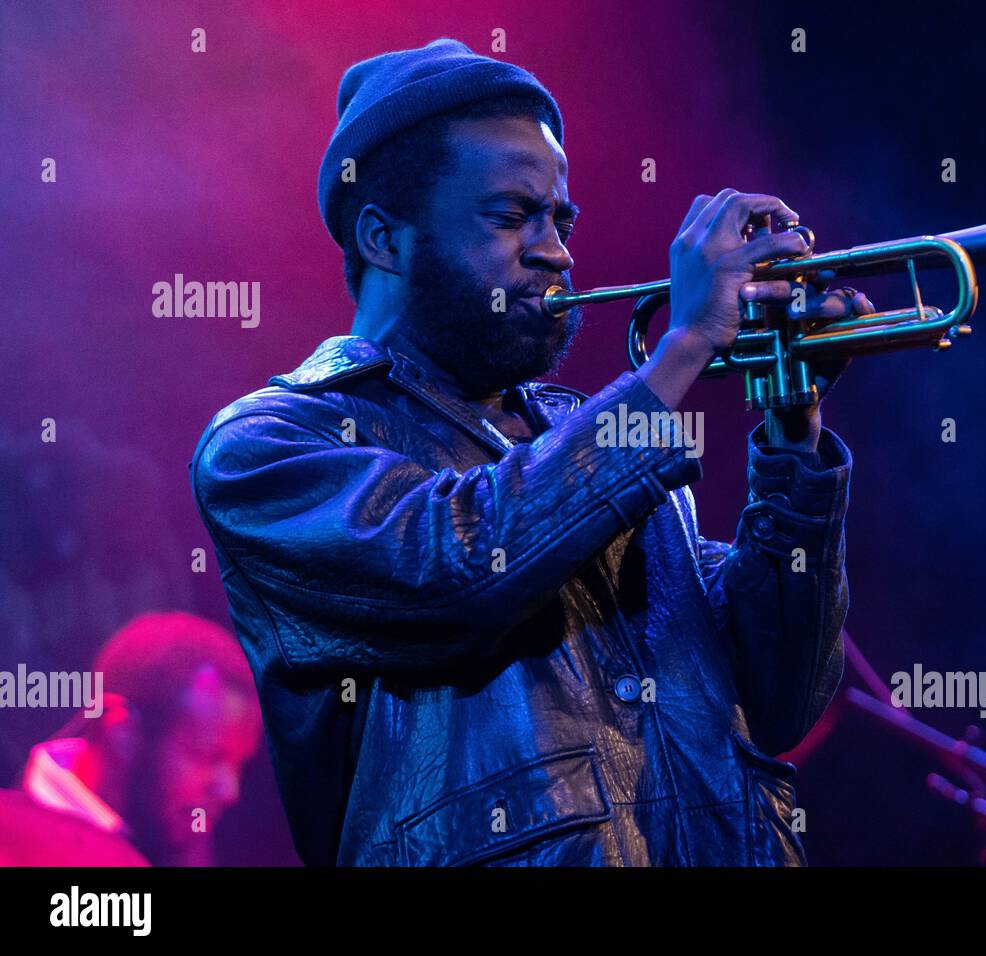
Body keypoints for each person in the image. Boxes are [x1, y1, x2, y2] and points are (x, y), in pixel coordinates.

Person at [191, 38, 869, 867]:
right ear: (384, 239)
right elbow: (461, 564)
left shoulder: (591, 437)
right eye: (513, 216)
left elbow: (783, 696)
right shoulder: (268, 445)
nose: (557, 250)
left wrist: (791, 424)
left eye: (561, 219)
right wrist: (685, 345)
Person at [0, 612, 262, 866]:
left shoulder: (168, 829)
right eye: (207, 755)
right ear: (121, 731)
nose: (230, 791)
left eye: (240, 765)